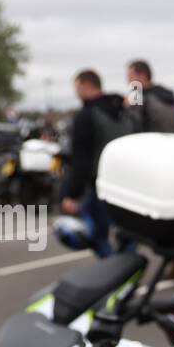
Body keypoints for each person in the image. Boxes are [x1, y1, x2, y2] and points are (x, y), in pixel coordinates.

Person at [59, 70, 132, 258]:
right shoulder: (122, 109)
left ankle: (113, 273)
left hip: (101, 185)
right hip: (128, 182)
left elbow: (81, 158)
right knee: (127, 233)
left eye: (76, 87)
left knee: (98, 236)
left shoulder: (87, 115)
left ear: (86, 85)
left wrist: (71, 193)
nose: (76, 92)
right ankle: (129, 269)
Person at [125, 60, 174, 134]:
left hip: (151, 142)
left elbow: (133, 127)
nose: (128, 80)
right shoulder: (168, 95)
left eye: (130, 75)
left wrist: (129, 107)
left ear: (142, 75)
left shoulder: (140, 98)